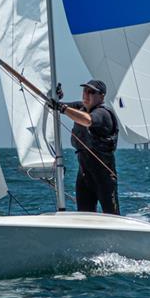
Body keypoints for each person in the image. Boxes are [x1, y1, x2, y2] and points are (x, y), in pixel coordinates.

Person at [50, 80, 119, 214]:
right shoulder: (80, 107)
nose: (86, 95)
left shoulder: (103, 114)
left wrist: (63, 109)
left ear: (102, 96)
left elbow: (87, 120)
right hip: (84, 174)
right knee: (84, 215)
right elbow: (55, 105)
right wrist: (55, 96)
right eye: (85, 91)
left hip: (104, 176)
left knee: (112, 216)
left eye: (91, 92)